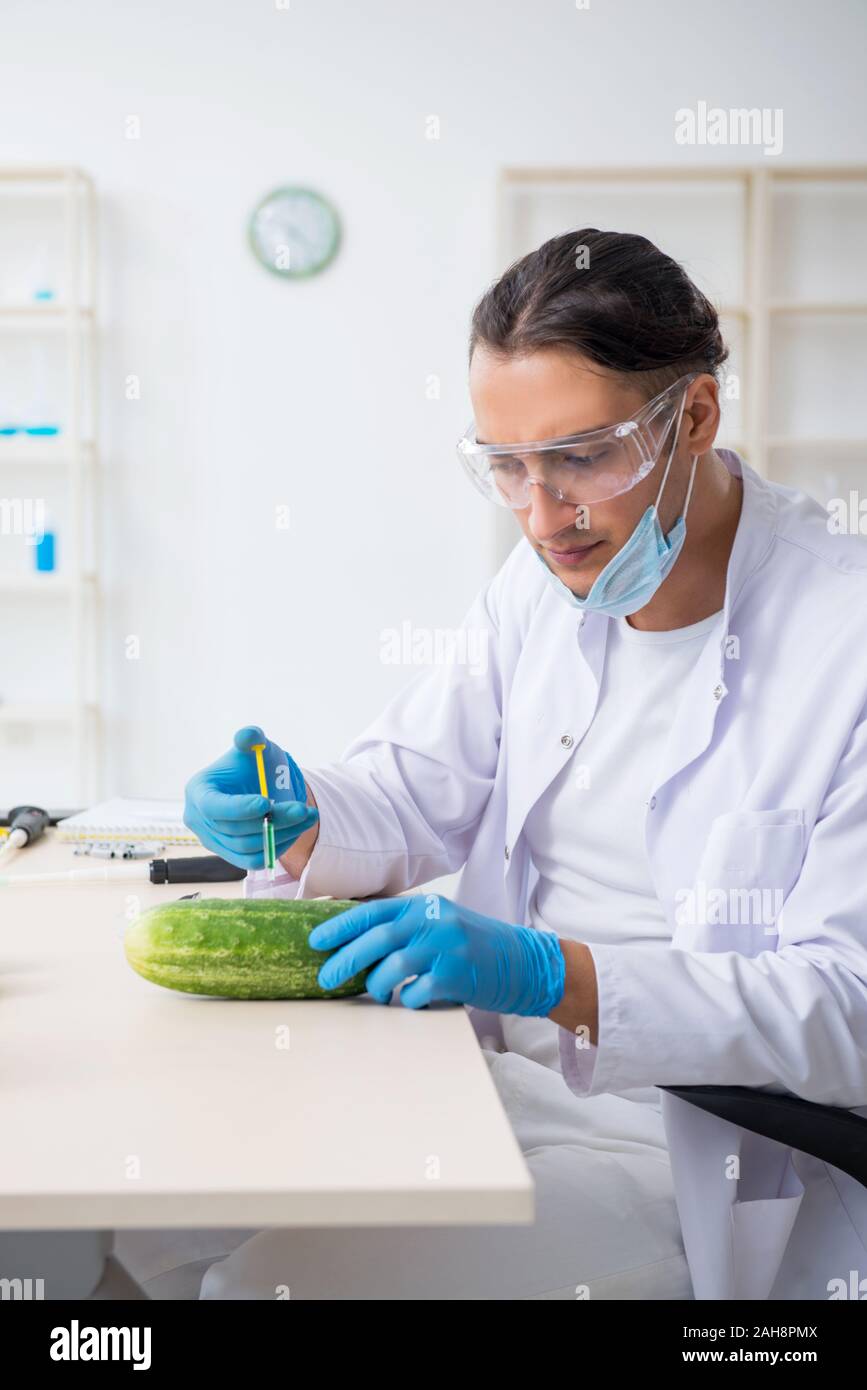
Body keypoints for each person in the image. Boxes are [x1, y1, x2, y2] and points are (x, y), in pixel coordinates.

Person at [145, 229, 867, 1300]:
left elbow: (847, 1009)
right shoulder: (546, 587)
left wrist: (554, 975)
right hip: (484, 1086)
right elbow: (410, 791)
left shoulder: (844, 634)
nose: (542, 517)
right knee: (166, 1212)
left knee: (264, 1290)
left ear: (696, 418)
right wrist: (295, 812)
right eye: (507, 468)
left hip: (693, 1154)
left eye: (581, 456)